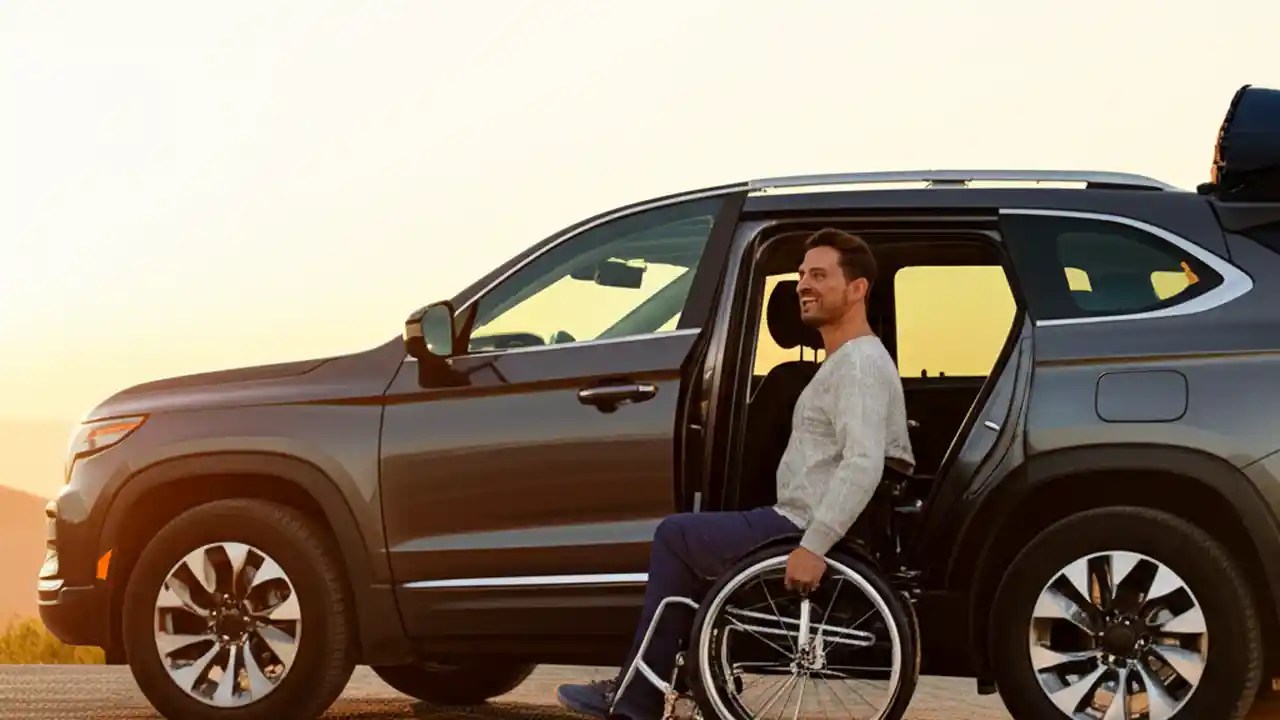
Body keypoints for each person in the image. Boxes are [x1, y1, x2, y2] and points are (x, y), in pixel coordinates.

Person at [556, 228, 915, 720]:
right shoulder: (846, 364)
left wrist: (814, 545)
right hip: (800, 517)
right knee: (695, 541)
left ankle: (637, 697)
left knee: (677, 535)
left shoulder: (858, 367)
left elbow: (863, 462)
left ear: (857, 290)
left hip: (800, 523)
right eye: (801, 275)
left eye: (819, 275)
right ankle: (676, 683)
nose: (803, 284)